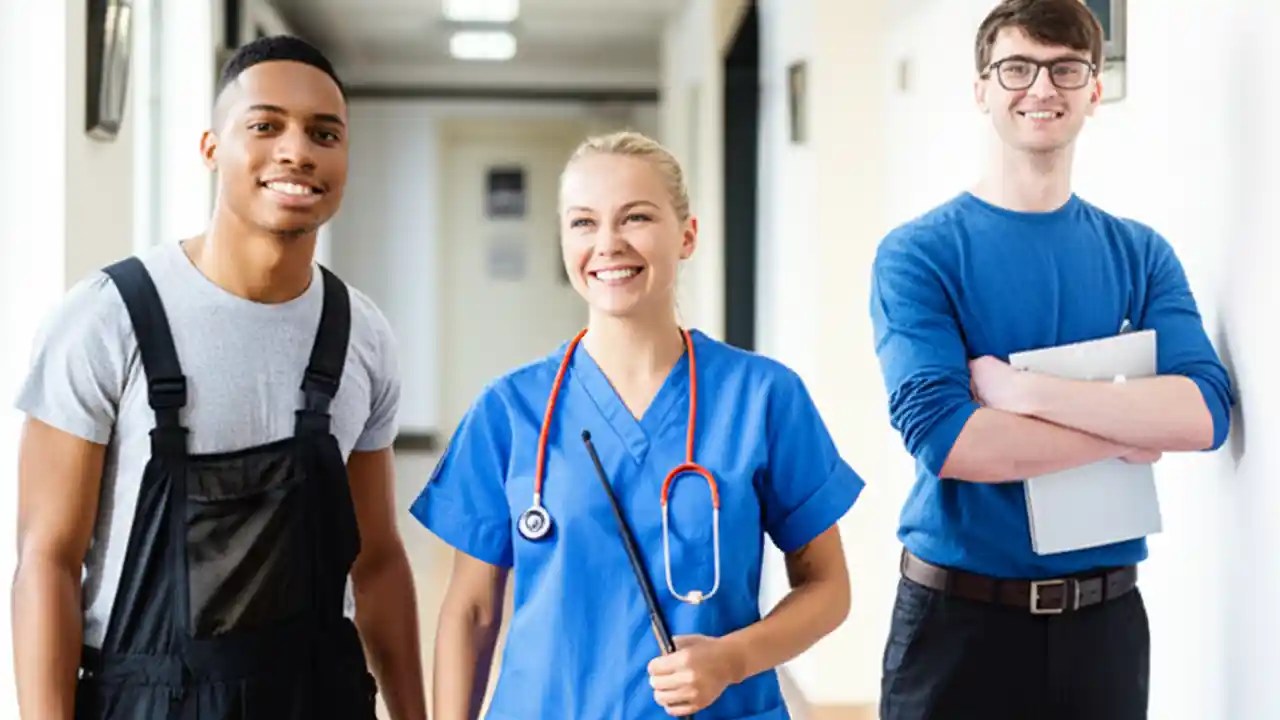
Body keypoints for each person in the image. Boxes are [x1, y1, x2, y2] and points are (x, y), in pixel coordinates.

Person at [12, 36, 427, 719]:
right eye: (265, 126)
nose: (297, 151)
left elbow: (377, 560)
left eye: (325, 133)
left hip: (319, 698)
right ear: (211, 147)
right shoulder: (107, 318)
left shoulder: (361, 334)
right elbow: (47, 563)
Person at [412, 130, 864, 719]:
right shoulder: (511, 410)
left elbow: (828, 588)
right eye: (583, 223)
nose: (608, 244)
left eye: (636, 218)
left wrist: (731, 660)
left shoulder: (763, 398)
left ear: (688, 235)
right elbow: (470, 611)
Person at [868, 1, 1234, 718]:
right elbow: (953, 441)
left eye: (1067, 69)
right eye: (1017, 68)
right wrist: (1131, 430)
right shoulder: (919, 254)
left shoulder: (1139, 253)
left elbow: (1203, 413)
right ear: (981, 89)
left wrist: (1026, 392)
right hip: (957, 623)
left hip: (1105, 625)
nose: (1042, 87)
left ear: (1095, 90)